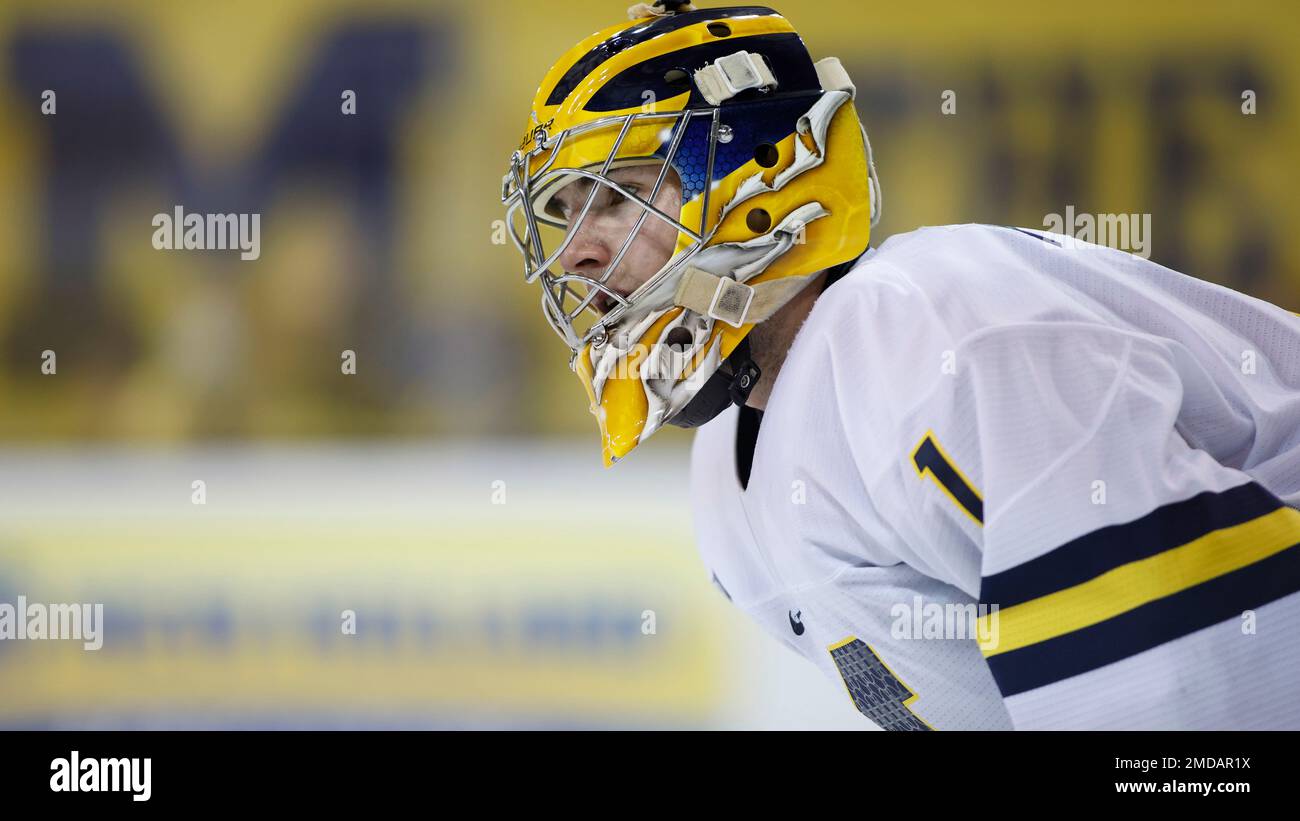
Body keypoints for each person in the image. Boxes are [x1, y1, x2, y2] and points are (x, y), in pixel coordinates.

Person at [500, 1, 1300, 729]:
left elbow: (1188, 710)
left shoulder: (933, 331)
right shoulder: (729, 464)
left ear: (762, 173)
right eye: (565, 214)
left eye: (616, 195)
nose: (576, 254)